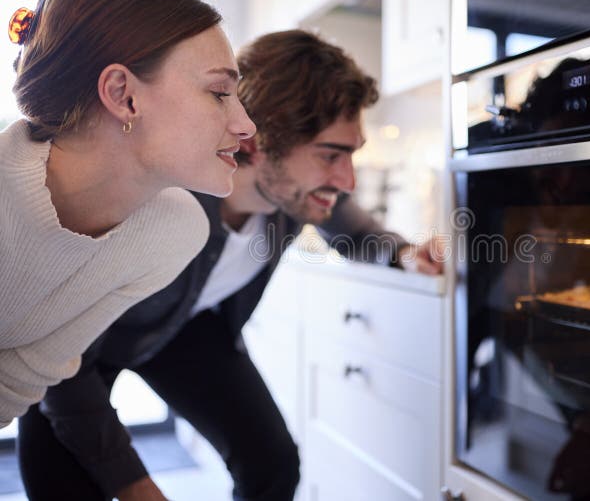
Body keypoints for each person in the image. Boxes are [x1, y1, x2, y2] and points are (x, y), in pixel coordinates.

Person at [17, 29, 443, 501]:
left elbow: (356, 231)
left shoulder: (294, 197)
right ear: (258, 143)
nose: (347, 179)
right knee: (63, 480)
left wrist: (405, 254)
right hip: (78, 354)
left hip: (189, 331)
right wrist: (138, 487)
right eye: (331, 155)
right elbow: (63, 364)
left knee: (273, 463)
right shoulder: (162, 198)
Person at [0, 0, 254, 428]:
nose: (246, 126)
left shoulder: (176, 232)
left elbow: (15, 384)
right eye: (219, 93)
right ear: (123, 95)